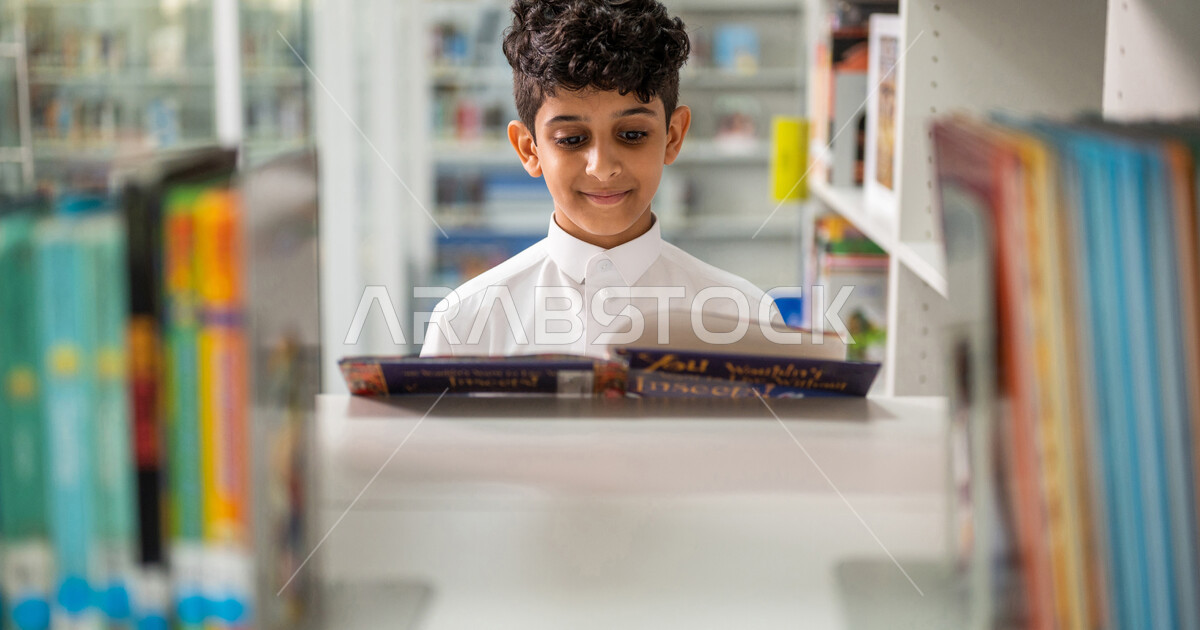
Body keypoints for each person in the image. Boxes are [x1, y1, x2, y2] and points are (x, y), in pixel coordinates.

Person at [421, 0, 774, 358]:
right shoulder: (464, 324)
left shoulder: (746, 318)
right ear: (529, 149)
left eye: (633, 134)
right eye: (572, 139)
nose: (602, 167)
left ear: (673, 136)